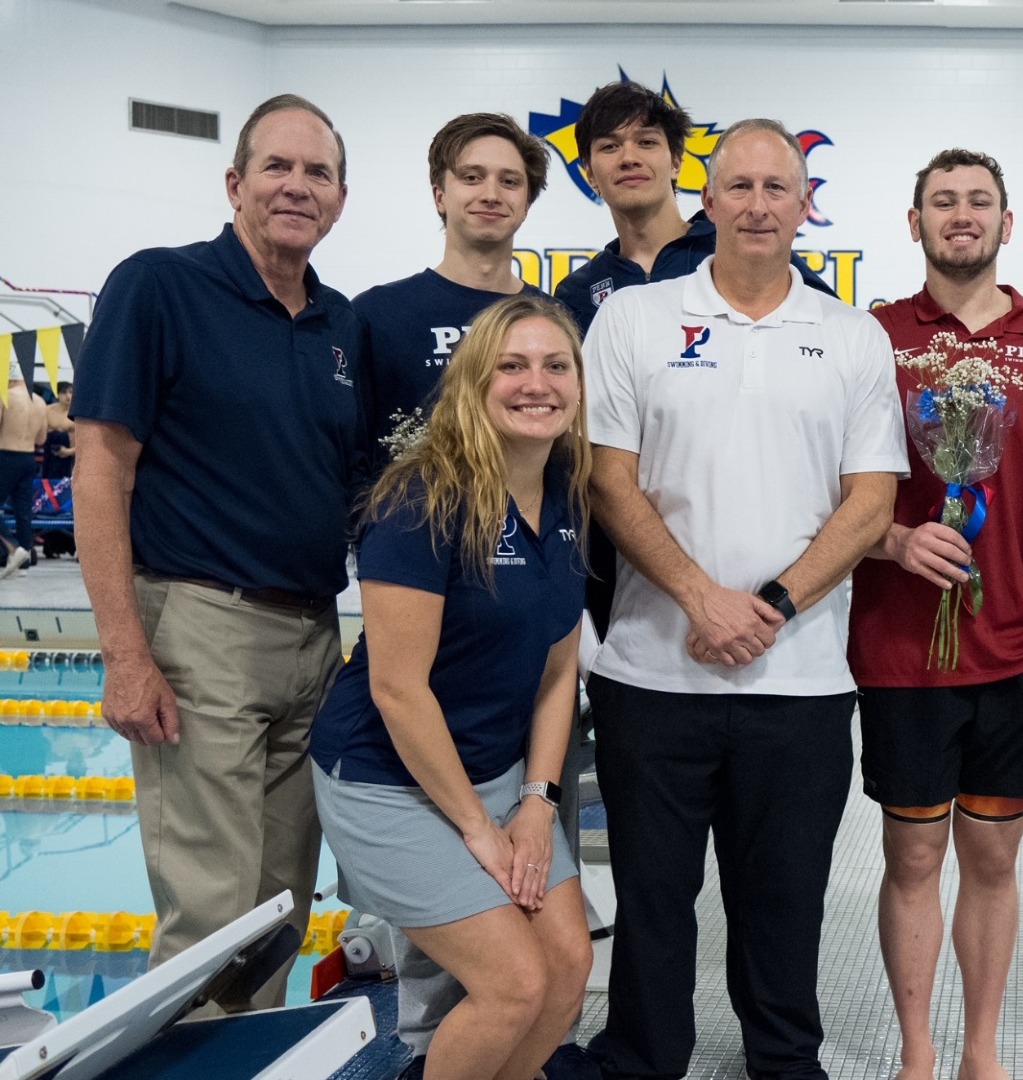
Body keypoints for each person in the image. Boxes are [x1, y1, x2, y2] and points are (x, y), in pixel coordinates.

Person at [581, 118, 906, 1080]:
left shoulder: (851, 336)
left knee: (785, 897)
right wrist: (697, 597)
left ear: (807, 207)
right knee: (651, 894)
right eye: (740, 187)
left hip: (800, 682)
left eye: (779, 189)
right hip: (651, 669)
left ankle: (783, 1059)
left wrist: (765, 604)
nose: (759, 206)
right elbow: (609, 479)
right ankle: (644, 1057)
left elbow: (872, 500)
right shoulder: (633, 321)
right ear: (708, 201)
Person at [70, 94, 361, 1009]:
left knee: (275, 919)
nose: (296, 187)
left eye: (318, 173)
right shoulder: (158, 286)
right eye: (277, 167)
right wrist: (125, 652)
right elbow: (101, 472)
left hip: (314, 636)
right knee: (210, 923)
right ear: (234, 183)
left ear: (340, 200)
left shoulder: (340, 326)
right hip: (201, 630)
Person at [849, 149, 1023, 1080]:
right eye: (943, 201)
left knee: (994, 864)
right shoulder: (869, 337)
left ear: (1006, 224)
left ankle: (980, 1051)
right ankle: (917, 1052)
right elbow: (836, 493)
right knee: (913, 861)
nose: (962, 215)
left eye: (980, 202)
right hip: (899, 651)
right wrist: (893, 542)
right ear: (912, 221)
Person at [309, 295, 595, 1080]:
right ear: (474, 382)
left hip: (498, 773)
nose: (536, 383)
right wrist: (479, 828)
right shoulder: (419, 501)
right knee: (513, 986)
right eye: (512, 365)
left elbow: (558, 665)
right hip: (388, 779)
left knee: (567, 970)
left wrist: (536, 801)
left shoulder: (567, 492)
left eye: (555, 365)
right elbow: (398, 690)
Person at [552, 80, 831, 641]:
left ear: (680, 162)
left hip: (758, 567)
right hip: (623, 563)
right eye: (608, 147)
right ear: (587, 171)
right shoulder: (578, 294)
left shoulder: (741, 246)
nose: (628, 158)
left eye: (647, 142)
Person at [355, 112, 550, 453]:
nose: (491, 194)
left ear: (527, 203)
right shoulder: (376, 315)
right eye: (472, 178)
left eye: (509, 181)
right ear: (440, 195)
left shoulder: (553, 320)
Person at [0, 378, 47, 567]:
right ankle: (24, 560)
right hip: (29, 458)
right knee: (24, 512)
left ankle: (13, 548)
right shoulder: (40, 401)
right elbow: (42, 439)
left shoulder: (6, 396)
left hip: (5, 455)